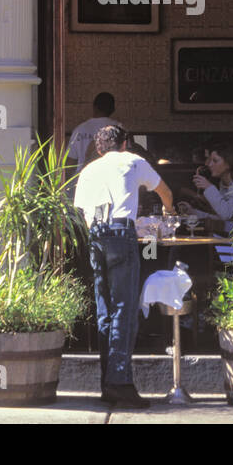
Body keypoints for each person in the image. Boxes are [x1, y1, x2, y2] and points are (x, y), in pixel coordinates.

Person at [75, 124, 174, 408]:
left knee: (105, 309)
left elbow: (82, 212)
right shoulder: (133, 160)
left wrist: (98, 235)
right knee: (125, 309)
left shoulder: (89, 170)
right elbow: (164, 191)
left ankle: (107, 382)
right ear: (125, 143)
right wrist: (169, 212)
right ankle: (120, 382)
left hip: (96, 236)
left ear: (98, 148)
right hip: (123, 235)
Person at [67, 92, 120, 168]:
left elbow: (70, 162)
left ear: (94, 107)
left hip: (83, 177)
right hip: (111, 177)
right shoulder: (119, 129)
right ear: (113, 109)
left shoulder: (79, 130)